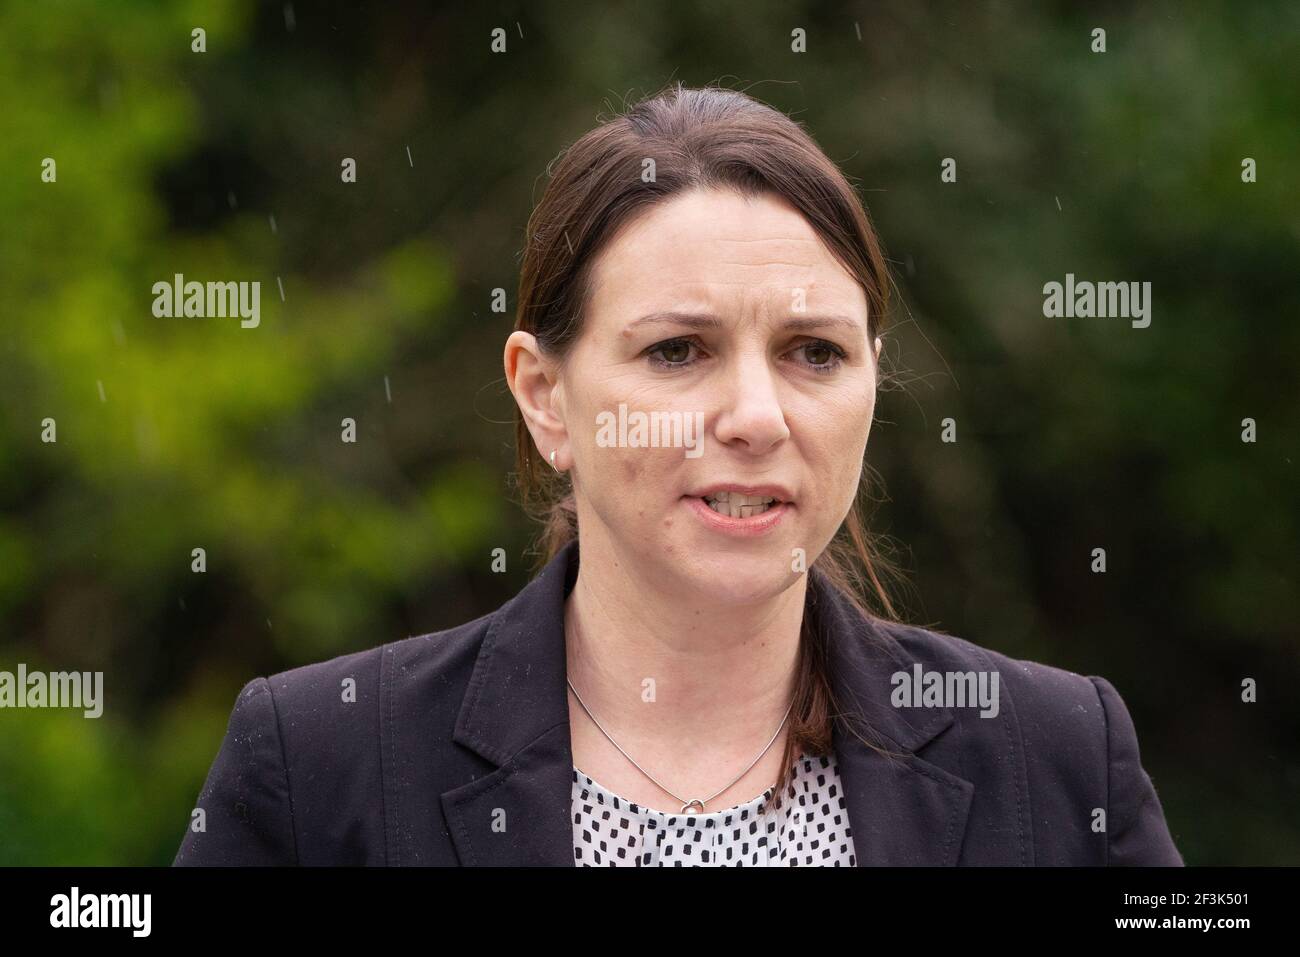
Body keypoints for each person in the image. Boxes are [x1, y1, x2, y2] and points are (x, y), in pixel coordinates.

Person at [173, 83, 1182, 866]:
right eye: (676, 351)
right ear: (542, 394)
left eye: (813, 352)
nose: (755, 415)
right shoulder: (320, 766)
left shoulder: (1050, 754)